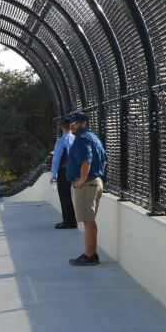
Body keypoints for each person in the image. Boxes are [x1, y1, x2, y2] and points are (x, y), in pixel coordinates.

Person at [65, 111, 107, 266]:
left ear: (84, 123)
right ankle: (91, 253)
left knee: (87, 222)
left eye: (75, 123)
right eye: (71, 123)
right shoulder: (93, 137)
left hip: (86, 185)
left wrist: (82, 180)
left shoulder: (81, 139)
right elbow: (104, 160)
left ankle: (90, 257)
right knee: (90, 221)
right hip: (95, 182)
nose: (72, 126)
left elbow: (86, 161)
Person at [50, 117, 77, 229]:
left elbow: (56, 159)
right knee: (73, 196)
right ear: (71, 126)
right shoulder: (76, 139)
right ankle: (74, 220)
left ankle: (68, 221)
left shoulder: (61, 141)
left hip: (64, 171)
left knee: (65, 197)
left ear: (61, 127)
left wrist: (53, 175)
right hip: (76, 171)